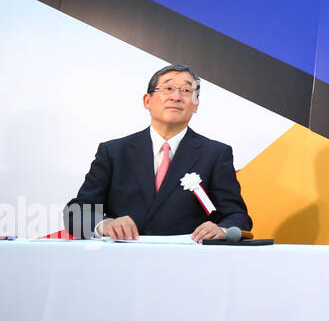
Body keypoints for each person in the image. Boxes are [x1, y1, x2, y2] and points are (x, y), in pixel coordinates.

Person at [64, 64, 251, 241]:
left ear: (196, 105)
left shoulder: (215, 154)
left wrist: (223, 229)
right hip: (122, 262)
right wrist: (105, 225)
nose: (176, 97)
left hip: (189, 263)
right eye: (168, 89)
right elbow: (77, 212)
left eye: (186, 91)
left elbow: (237, 215)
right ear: (147, 101)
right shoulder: (114, 152)